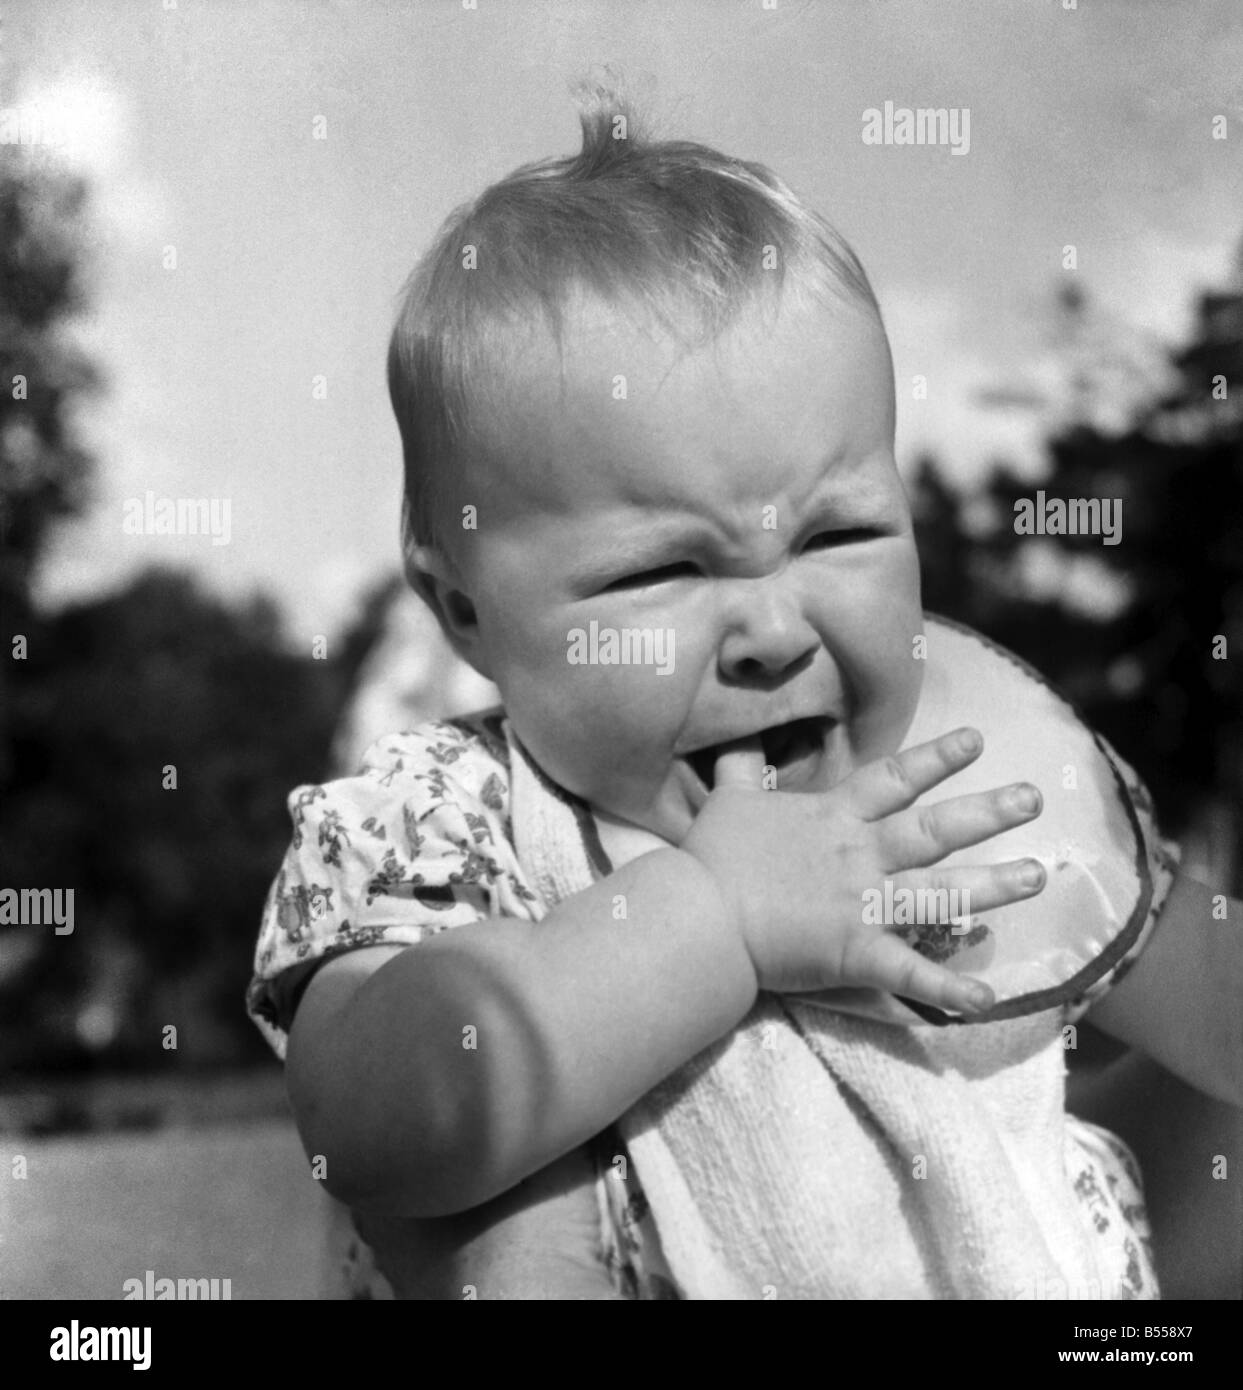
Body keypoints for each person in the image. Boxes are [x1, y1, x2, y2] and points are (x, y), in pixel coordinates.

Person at [247, 88, 1241, 1299]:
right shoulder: (439, 820)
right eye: (660, 569)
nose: (773, 629)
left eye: (839, 535)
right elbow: (372, 1120)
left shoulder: (979, 779)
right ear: (465, 611)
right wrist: (713, 914)